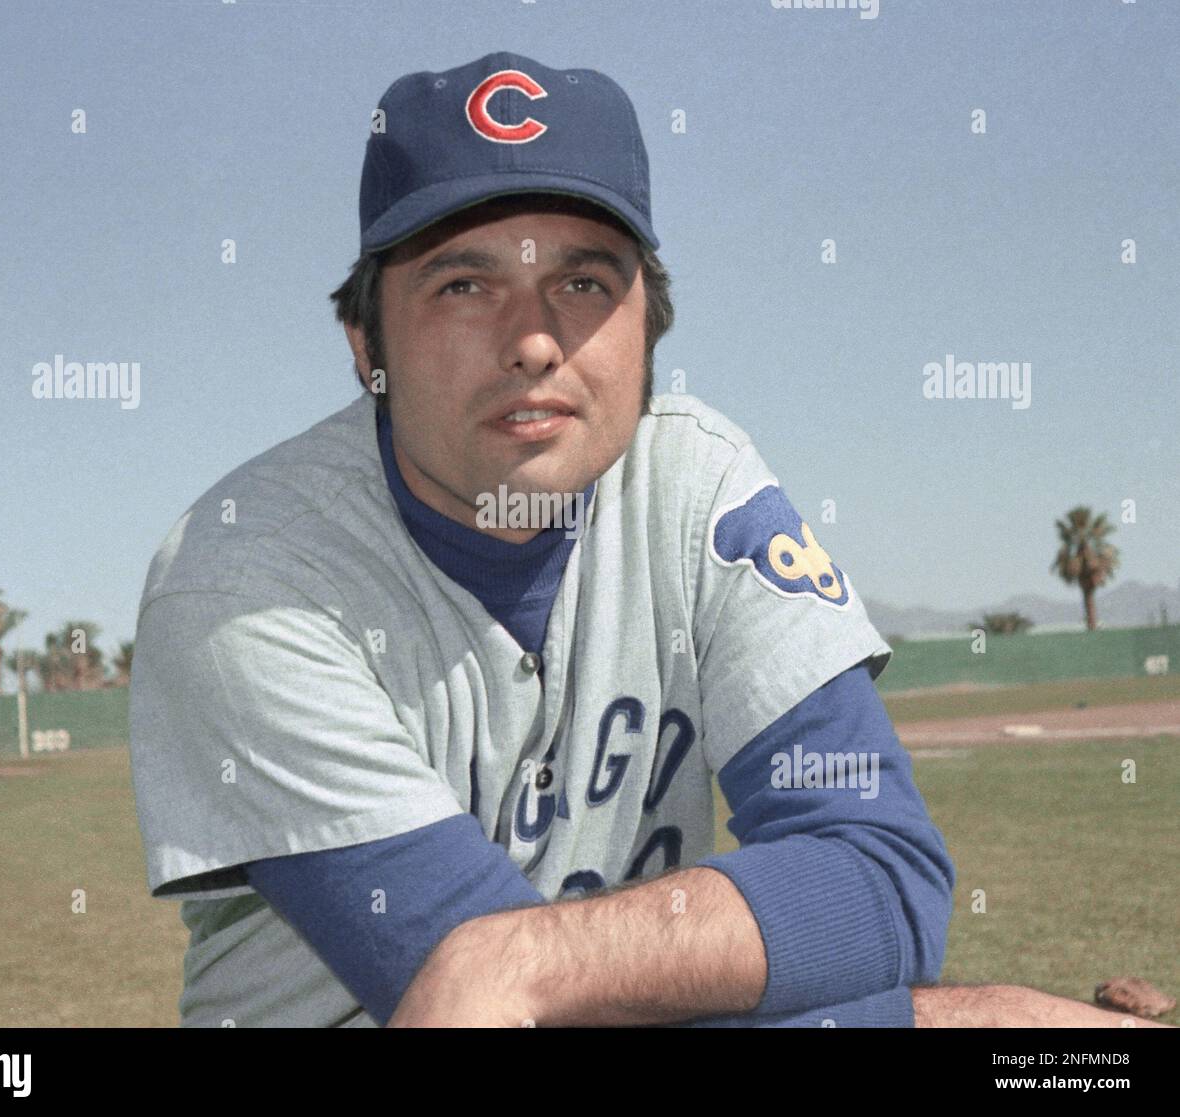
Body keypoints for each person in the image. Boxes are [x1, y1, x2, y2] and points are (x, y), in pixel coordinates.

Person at [129, 51, 1165, 1029]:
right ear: (367, 347)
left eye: (583, 283)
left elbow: (879, 876)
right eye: (463, 284)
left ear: (650, 326)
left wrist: (522, 958)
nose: (532, 340)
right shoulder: (245, 579)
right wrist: (967, 1024)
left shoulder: (696, 485)